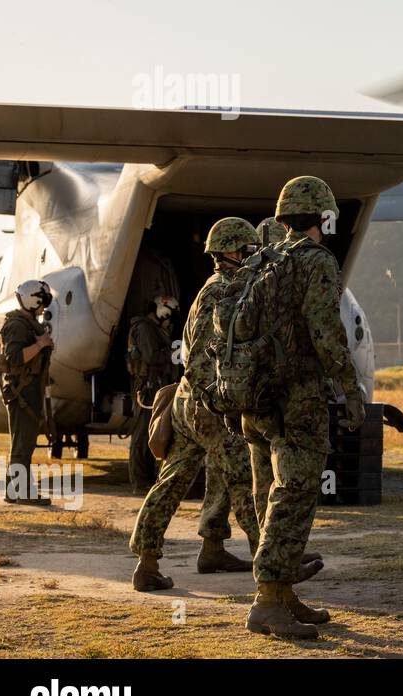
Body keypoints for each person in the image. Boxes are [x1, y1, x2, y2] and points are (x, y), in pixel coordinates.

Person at [242, 177, 365, 639]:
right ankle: (267, 602)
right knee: (294, 493)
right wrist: (350, 390)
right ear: (321, 217)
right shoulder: (316, 262)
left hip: (262, 399)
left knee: (277, 488)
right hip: (299, 398)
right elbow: (326, 333)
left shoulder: (265, 262)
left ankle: (284, 594)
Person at [129, 218, 264, 590]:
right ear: (233, 252)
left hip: (190, 403)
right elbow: (205, 358)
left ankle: (153, 562)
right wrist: (220, 403)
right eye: (249, 250)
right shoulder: (223, 291)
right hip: (207, 405)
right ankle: (272, 563)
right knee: (243, 479)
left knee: (174, 482)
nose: (253, 256)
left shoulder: (217, 287)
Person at [0, 280, 54, 505]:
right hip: (22, 393)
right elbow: (14, 358)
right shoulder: (18, 326)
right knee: (22, 444)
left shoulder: (29, 324)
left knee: (24, 443)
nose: (44, 307)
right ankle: (20, 493)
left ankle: (16, 491)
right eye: (43, 302)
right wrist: (40, 345)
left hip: (28, 391)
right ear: (33, 300)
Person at [127, 295, 180, 407]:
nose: (170, 323)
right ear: (164, 313)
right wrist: (173, 352)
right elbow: (151, 357)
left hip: (157, 381)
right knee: (148, 420)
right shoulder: (144, 329)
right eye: (170, 318)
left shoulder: (155, 329)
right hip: (149, 385)